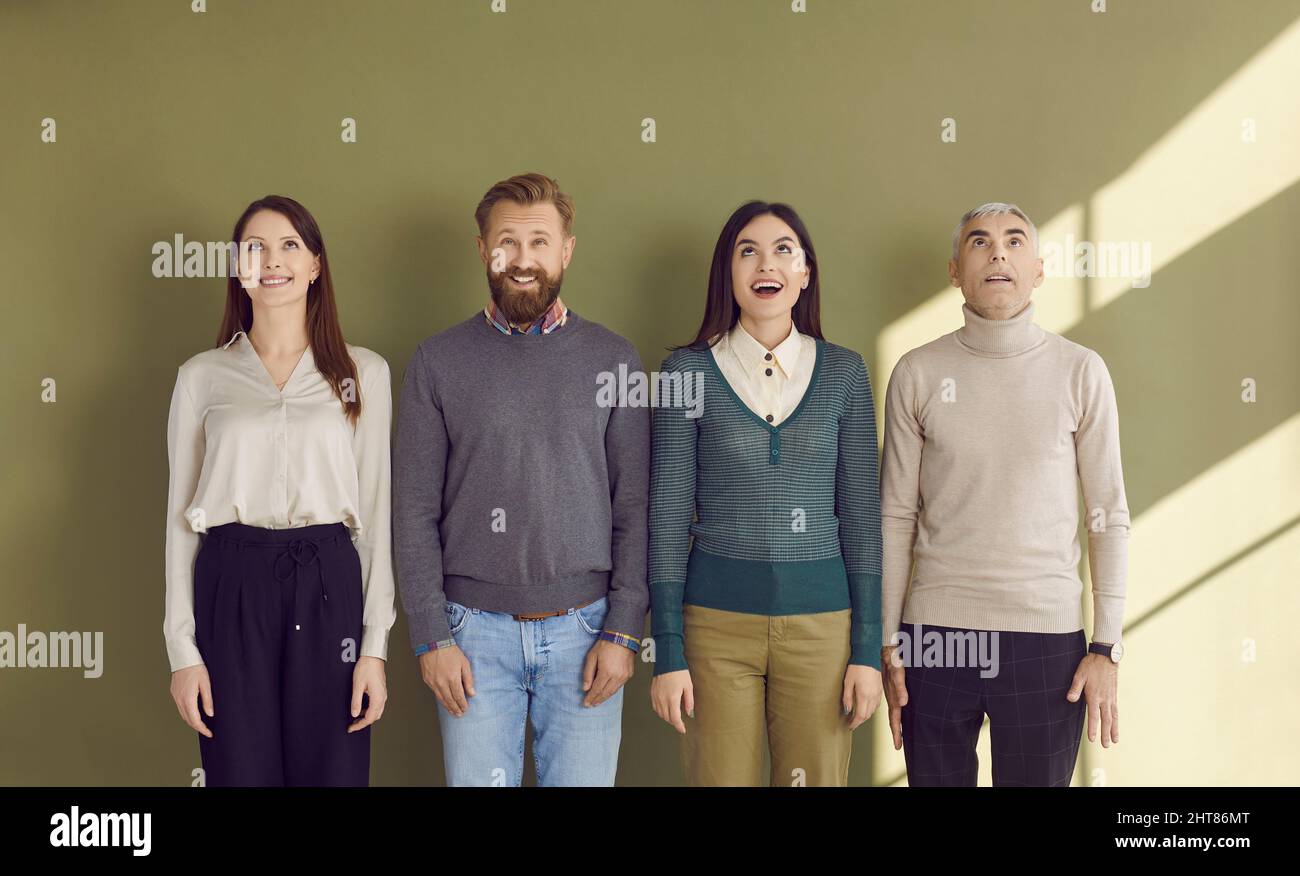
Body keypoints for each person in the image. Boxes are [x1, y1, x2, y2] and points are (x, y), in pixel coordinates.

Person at [393, 172, 649, 786]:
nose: (523, 259)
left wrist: (624, 630)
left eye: (540, 242)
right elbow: (412, 512)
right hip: (470, 637)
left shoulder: (615, 360)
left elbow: (637, 506)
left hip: (589, 632)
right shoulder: (436, 361)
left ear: (567, 249)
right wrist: (432, 637)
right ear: (484, 251)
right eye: (508, 242)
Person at [880, 202, 1129, 787]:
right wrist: (887, 641)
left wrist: (1107, 646)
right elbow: (894, 517)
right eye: (980, 242)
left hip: (1046, 640)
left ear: (1037, 269)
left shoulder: (1080, 371)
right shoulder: (917, 372)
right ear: (955, 270)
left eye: (1015, 242)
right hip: (935, 640)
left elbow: (1108, 517)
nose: (998, 253)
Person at [648, 200, 883, 786]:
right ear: (727, 274)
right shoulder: (684, 375)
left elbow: (860, 519)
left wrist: (867, 650)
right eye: (746, 250)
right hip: (715, 628)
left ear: (805, 272)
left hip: (823, 629)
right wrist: (669, 652)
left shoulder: (846, 374)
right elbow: (668, 517)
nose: (765, 263)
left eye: (783, 249)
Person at [165, 195, 395, 786]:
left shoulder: (362, 373)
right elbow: (179, 521)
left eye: (290, 244)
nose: (272, 260)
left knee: (333, 773)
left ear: (316, 264)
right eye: (255, 248)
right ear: (237, 268)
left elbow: (374, 513)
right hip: (231, 585)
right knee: (239, 773)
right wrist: (183, 651)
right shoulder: (201, 377)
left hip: (328, 583)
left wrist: (374, 647)